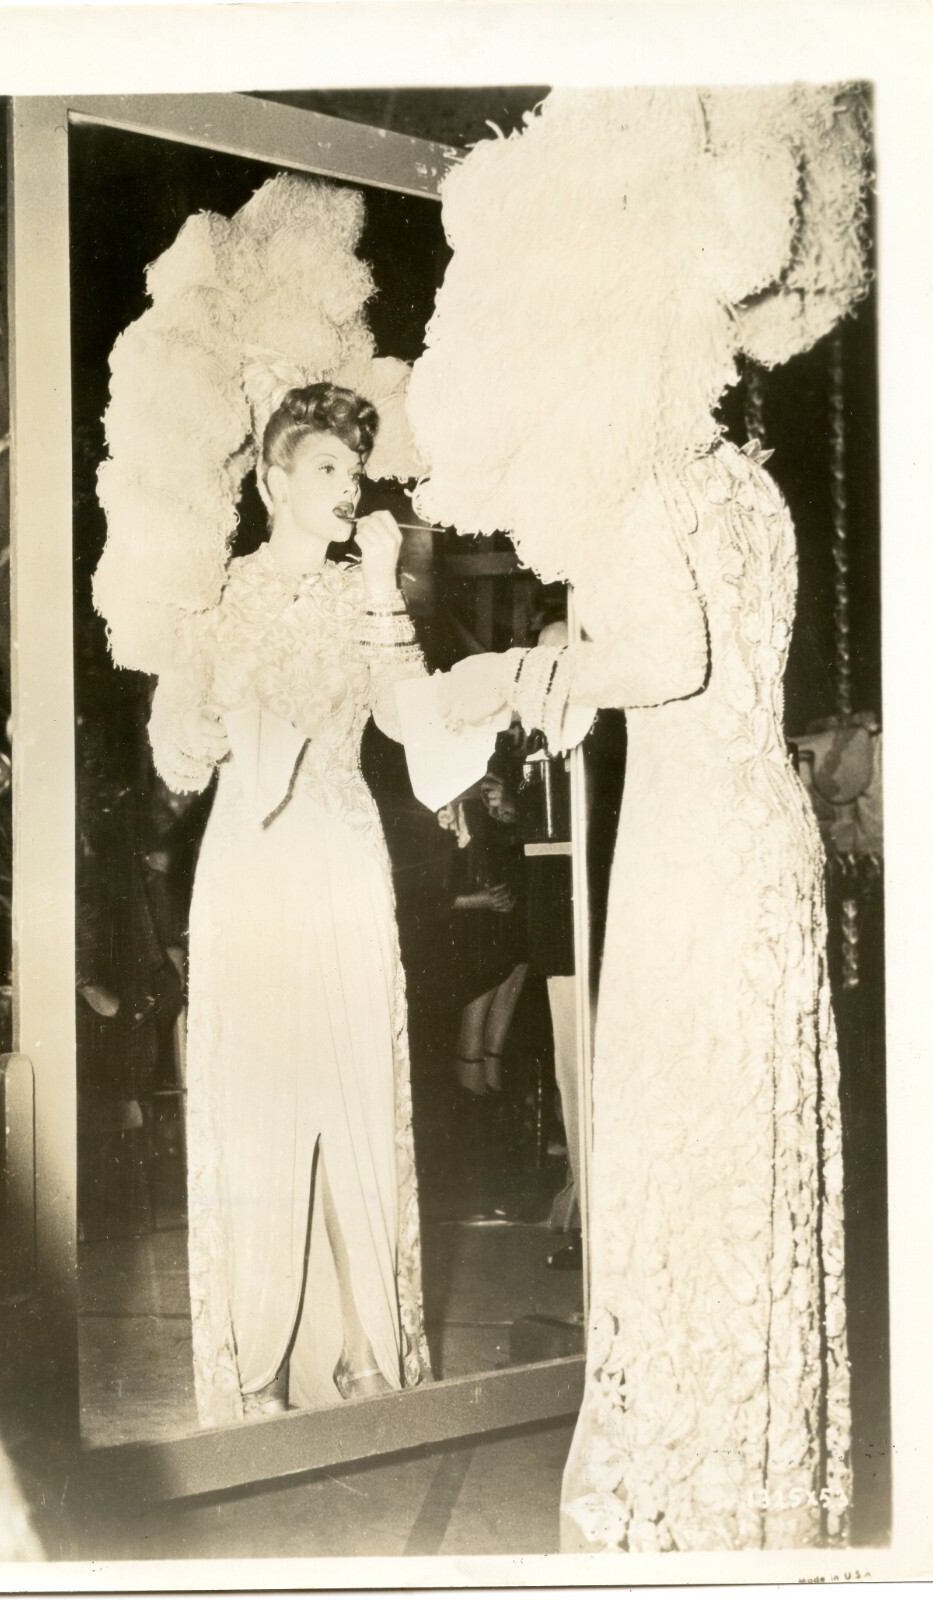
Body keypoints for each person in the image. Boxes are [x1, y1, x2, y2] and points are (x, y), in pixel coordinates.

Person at [411, 86, 864, 1550]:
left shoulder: (644, 490)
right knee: (748, 1153)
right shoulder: (756, 491)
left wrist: (522, 667)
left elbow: (660, 664)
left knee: (682, 1149)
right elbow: (734, 662)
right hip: (769, 840)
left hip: (688, 860)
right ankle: (762, 1467)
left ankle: (684, 1466)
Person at [148, 383, 431, 1424]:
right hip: (253, 862)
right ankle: (258, 1361)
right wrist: (200, 732)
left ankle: (367, 1354)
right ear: (272, 479)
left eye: (355, 469)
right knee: (262, 1099)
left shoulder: (368, 591)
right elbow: (173, 749)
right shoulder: (217, 596)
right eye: (327, 467)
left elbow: (407, 719)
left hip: (348, 853)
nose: (349, 485)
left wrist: (391, 589)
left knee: (356, 1083)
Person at [437, 763, 530, 1098]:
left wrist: (508, 813)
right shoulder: (433, 793)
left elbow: (506, 851)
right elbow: (416, 895)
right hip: (448, 918)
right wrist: (479, 900)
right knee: (493, 952)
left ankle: (490, 1075)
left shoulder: (479, 792)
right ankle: (474, 1080)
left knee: (519, 947)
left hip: (480, 909)